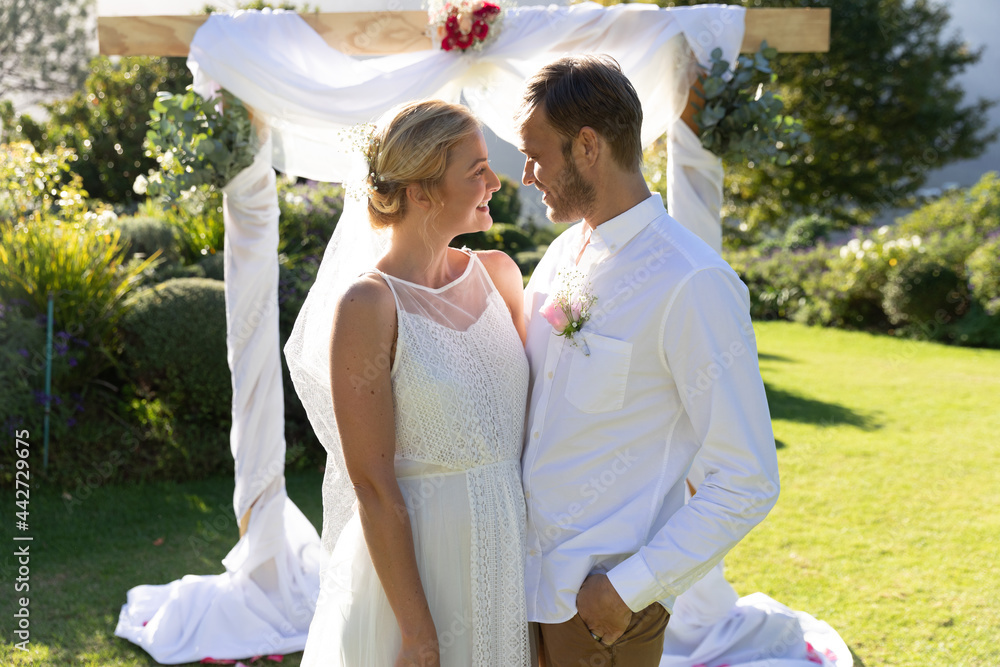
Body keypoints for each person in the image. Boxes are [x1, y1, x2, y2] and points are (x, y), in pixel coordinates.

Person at [516, 55, 781, 666]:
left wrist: (625, 589)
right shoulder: (562, 254)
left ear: (587, 146)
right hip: (526, 592)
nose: (527, 175)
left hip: (600, 613)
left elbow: (748, 480)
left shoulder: (694, 283)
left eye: (537, 153)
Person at [290, 100, 532, 666]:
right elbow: (372, 484)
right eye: (476, 170)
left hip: (510, 549)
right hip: (421, 567)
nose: (495, 181)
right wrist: (420, 633)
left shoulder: (499, 274)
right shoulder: (369, 305)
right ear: (422, 191)